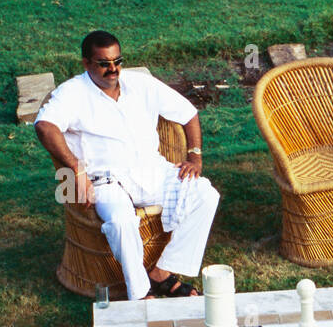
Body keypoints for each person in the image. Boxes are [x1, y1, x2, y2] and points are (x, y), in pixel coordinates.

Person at [34, 30, 220, 300]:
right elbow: (44, 127)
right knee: (121, 222)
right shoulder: (72, 93)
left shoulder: (141, 84)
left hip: (153, 171)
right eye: (104, 63)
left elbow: (188, 112)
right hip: (106, 181)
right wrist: (77, 170)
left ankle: (162, 271)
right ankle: (141, 293)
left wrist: (195, 155)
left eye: (117, 61)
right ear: (86, 63)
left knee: (205, 194)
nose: (113, 69)